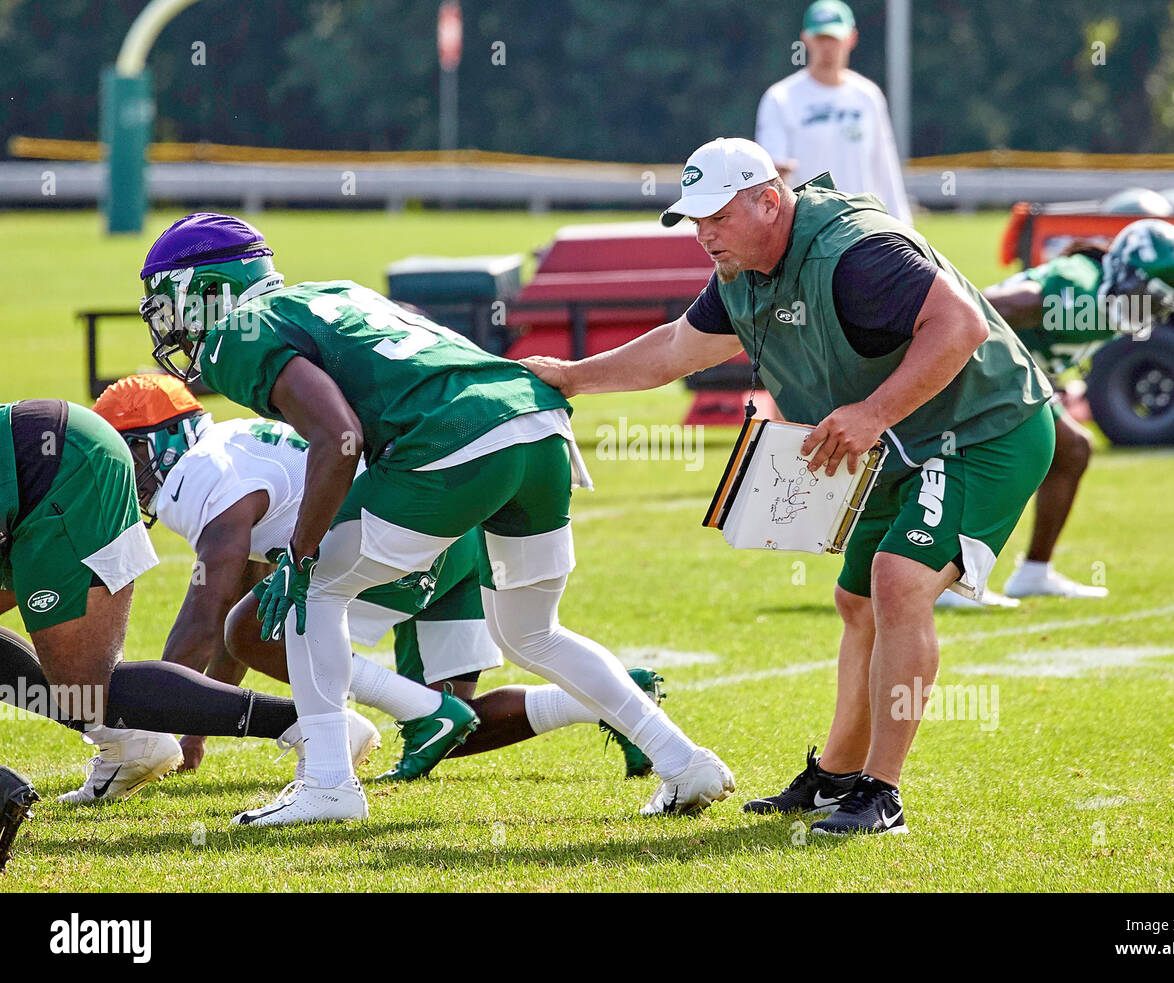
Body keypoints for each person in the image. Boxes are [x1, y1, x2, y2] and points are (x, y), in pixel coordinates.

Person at [524, 138, 1056, 835]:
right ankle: (838, 775)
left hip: (987, 428)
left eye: (716, 215)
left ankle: (882, 795)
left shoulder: (857, 253)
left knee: (899, 581)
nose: (703, 232)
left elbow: (961, 325)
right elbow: (678, 350)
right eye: (694, 218)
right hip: (901, 437)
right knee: (856, 597)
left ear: (767, 200)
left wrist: (871, 413)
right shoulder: (743, 269)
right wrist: (573, 375)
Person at [139, 212, 732, 826]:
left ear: (204, 290)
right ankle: (682, 759)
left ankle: (327, 785)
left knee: (311, 592)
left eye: (167, 304)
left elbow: (338, 435)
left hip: (454, 439)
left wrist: (303, 547)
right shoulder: (333, 293)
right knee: (532, 631)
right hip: (533, 421)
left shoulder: (240, 331)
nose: (167, 323)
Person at [90, 373, 666, 782]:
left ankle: (423, 714)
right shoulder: (234, 443)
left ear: (161, 440)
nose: (131, 475)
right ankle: (611, 701)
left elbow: (207, 617)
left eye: (131, 456)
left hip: (404, 537)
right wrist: (195, 731)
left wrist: (152, 716)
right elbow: (244, 591)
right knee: (450, 729)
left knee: (257, 629)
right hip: (457, 535)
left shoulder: (197, 474)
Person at [0, 398, 317, 803]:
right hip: (56, 449)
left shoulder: (211, 469)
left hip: (53, 465)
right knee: (84, 687)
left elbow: (208, 617)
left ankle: (309, 722)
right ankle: (129, 741)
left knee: (86, 685)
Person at [977, 220, 1174, 602]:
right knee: (1006, 458)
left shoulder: (1108, 302)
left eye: (1156, 304)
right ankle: (943, 575)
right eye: (1144, 295)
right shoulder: (1079, 285)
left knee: (1073, 448)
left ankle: (1034, 572)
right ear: (1123, 272)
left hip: (1012, 377)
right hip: (975, 369)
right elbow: (1004, 303)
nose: (1145, 309)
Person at [756, 0, 912, 224]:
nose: (827, 46)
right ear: (806, 39)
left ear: (851, 38)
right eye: (821, 38)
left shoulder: (868, 96)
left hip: (863, 227)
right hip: (808, 229)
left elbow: (885, 168)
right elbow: (772, 174)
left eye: (834, 38)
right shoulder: (781, 98)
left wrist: (904, 226)